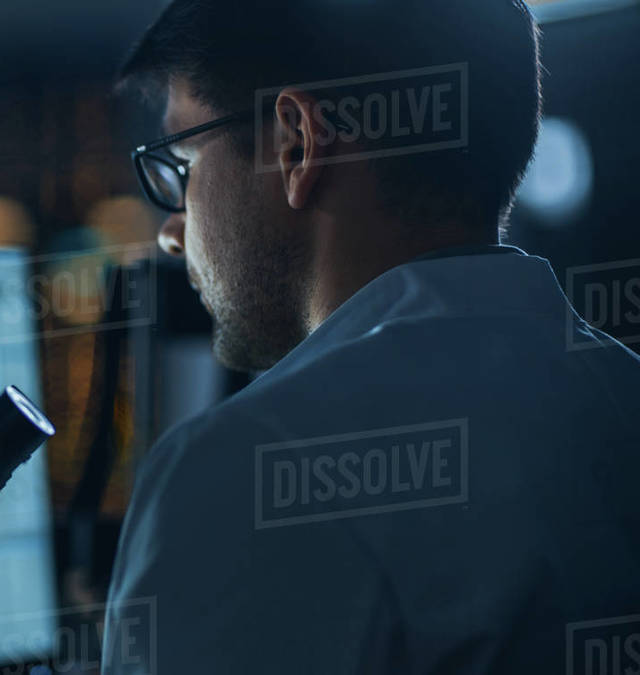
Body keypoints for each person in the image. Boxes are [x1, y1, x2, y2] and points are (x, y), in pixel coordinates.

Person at [101, 1, 640, 672]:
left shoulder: (242, 472)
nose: (171, 231)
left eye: (182, 167)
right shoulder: (621, 396)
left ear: (296, 144)